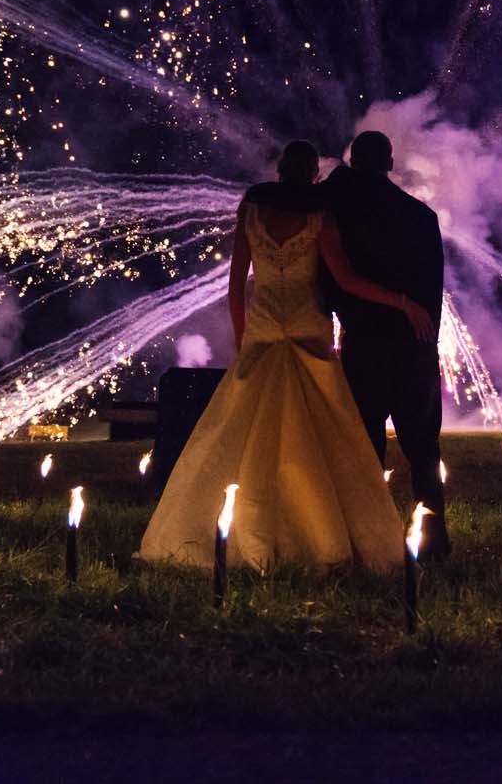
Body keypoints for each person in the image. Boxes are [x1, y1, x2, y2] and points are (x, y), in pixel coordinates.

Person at [140, 141, 431, 573]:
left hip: (263, 333)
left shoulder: (252, 211)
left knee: (238, 435)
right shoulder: (320, 216)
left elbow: (236, 284)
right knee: (325, 437)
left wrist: (243, 338)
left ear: (279, 169)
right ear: (314, 173)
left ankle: (239, 531)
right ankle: (324, 535)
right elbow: (347, 281)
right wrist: (403, 302)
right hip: (307, 331)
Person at [322, 130, 451, 557]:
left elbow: (330, 281)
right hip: (414, 342)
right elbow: (433, 289)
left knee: (365, 447)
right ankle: (433, 540)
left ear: (353, 161)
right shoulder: (420, 216)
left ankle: (369, 541)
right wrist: (422, 329)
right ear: (391, 164)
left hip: (364, 343)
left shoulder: (339, 207)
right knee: (423, 447)